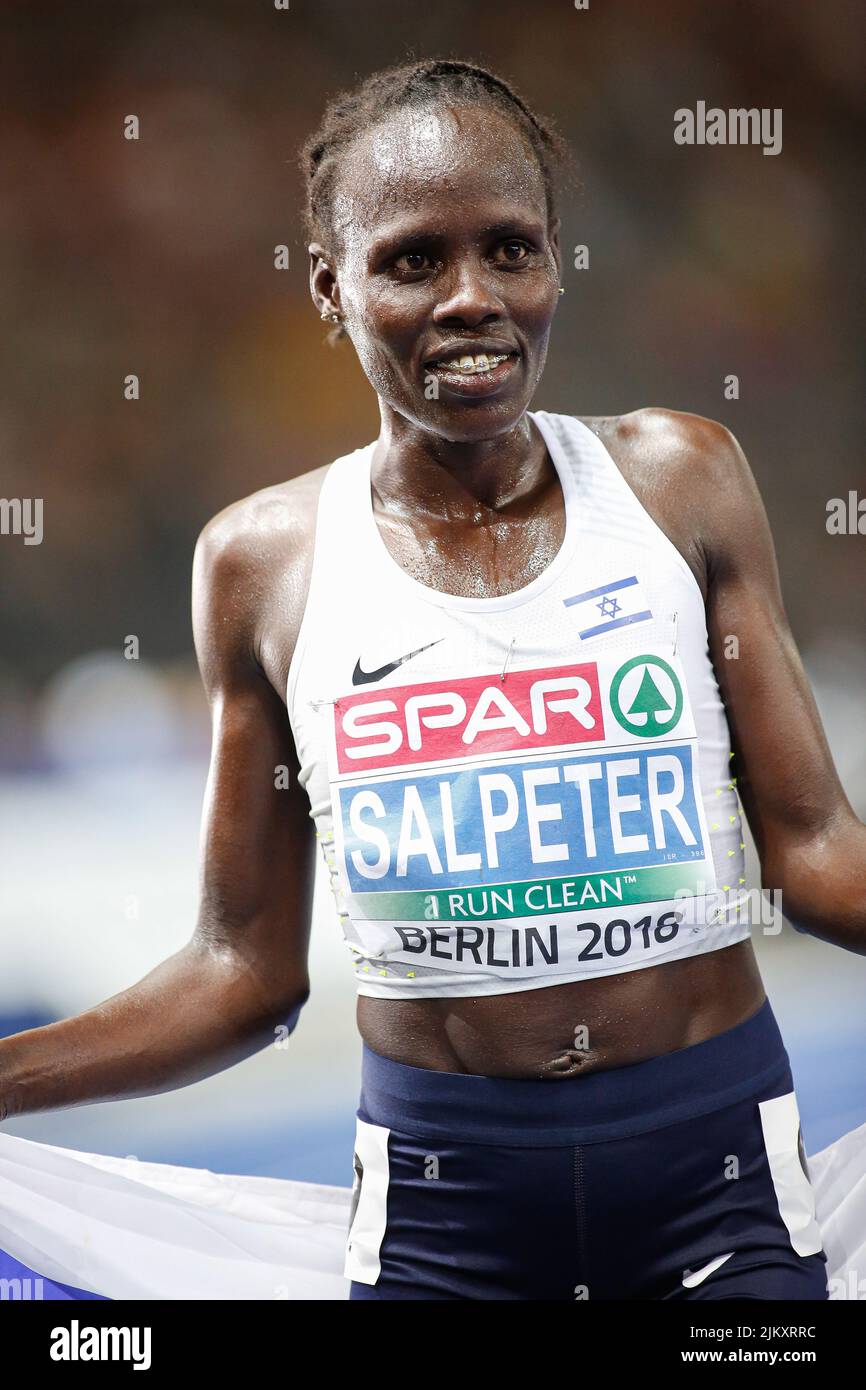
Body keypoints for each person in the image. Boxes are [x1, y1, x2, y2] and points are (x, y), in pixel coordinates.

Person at [2, 59, 864, 1302]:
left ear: (556, 262)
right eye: (412, 260)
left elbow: (818, 851)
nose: (472, 298)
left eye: (508, 250)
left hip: (720, 1190)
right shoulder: (263, 564)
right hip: (439, 1229)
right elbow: (242, 969)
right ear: (328, 286)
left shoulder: (680, 481)